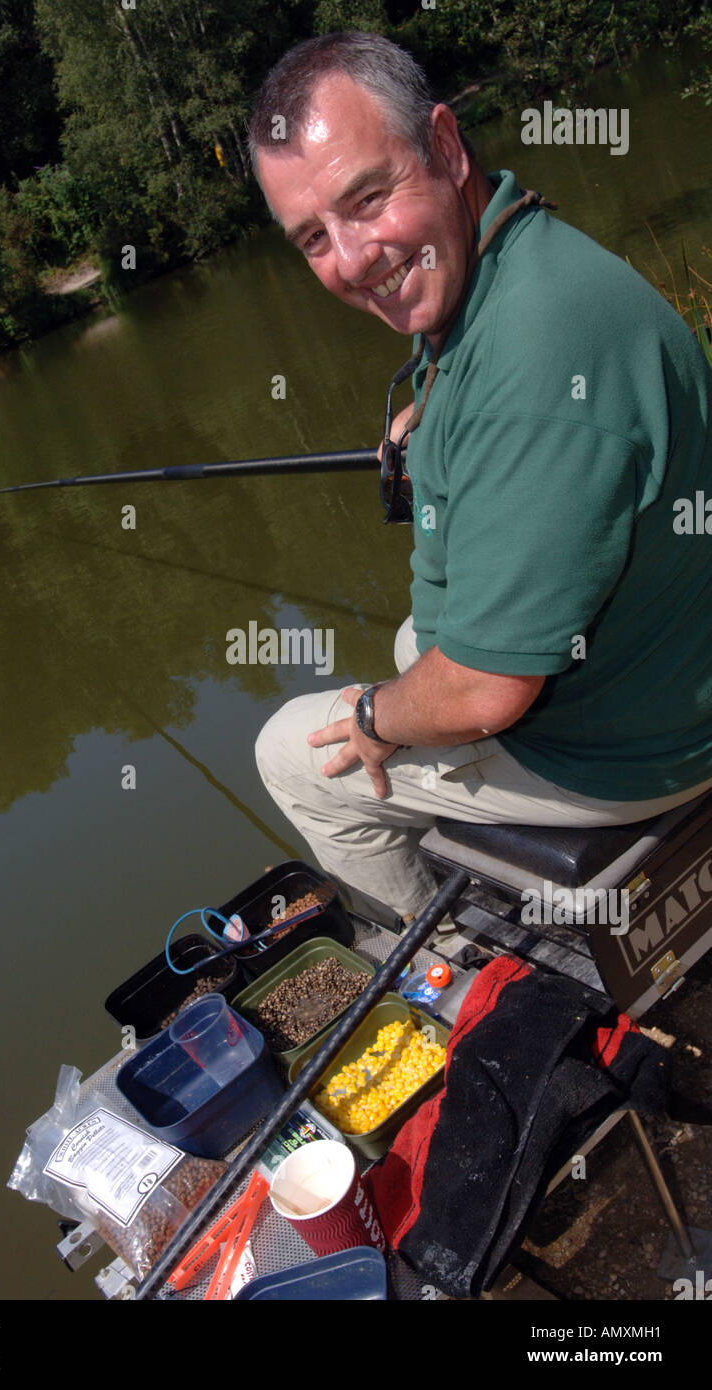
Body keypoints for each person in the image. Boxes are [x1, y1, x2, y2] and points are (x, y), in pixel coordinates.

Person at [248, 31, 712, 926]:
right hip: (666, 645)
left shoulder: (536, 366)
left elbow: (484, 690)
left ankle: (449, 970)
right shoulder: (506, 251)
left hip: (642, 748)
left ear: (446, 146)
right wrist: (437, 421)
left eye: (367, 199)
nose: (350, 259)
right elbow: (520, 404)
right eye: (313, 237)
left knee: (290, 752)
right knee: (410, 637)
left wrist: (377, 720)